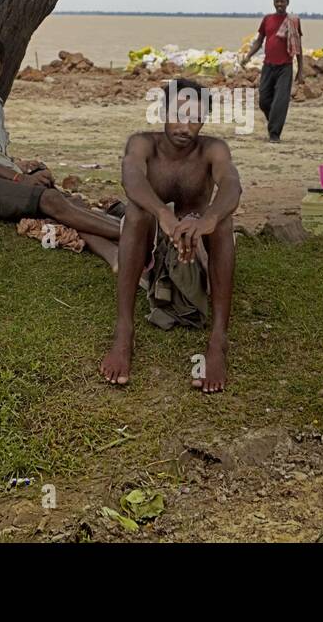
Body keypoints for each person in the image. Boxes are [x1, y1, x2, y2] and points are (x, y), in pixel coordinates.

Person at [100, 79, 241, 393]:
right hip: (151, 249)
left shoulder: (212, 149)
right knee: (137, 211)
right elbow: (131, 177)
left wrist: (208, 219)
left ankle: (218, 341)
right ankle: (124, 331)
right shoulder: (142, 144)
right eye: (178, 114)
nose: (185, 125)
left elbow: (231, 184)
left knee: (224, 223)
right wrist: (162, 212)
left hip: (194, 252)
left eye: (195, 118)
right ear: (162, 112)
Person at [0, 31, 121, 264]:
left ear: (0, 67)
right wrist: (19, 178)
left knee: (67, 201)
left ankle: (114, 254)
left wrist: (23, 167)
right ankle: (132, 233)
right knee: (51, 201)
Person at [240, 0, 304, 143]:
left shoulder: (293, 21)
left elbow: (298, 45)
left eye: (282, 1)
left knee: (280, 101)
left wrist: (300, 70)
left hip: (285, 67)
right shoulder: (267, 19)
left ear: (288, 2)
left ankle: (274, 134)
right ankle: (274, 122)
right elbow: (259, 40)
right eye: (277, 1)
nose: (280, 4)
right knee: (264, 100)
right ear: (273, 2)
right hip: (268, 66)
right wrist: (248, 56)